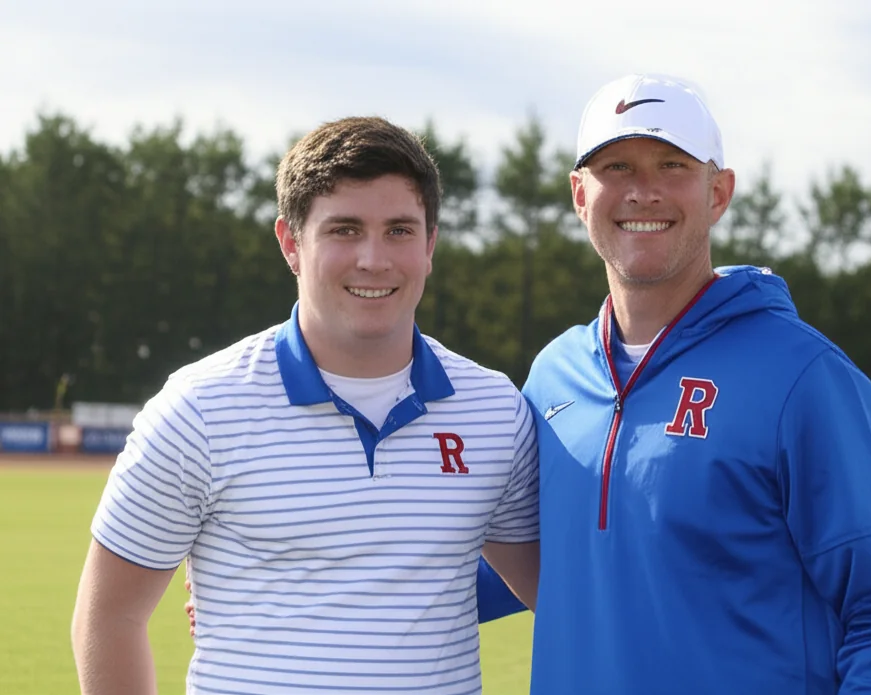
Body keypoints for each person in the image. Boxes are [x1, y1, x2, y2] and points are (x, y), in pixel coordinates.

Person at [71, 116, 540, 695]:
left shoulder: (495, 410)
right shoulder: (199, 409)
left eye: (399, 230)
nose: (374, 258)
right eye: (344, 230)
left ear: (430, 245)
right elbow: (109, 616)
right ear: (291, 243)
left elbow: (555, 587)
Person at [521, 74, 871, 694]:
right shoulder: (551, 374)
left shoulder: (804, 376)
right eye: (616, 167)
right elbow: (490, 562)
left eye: (672, 165)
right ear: (580, 195)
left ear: (719, 193)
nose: (643, 191)